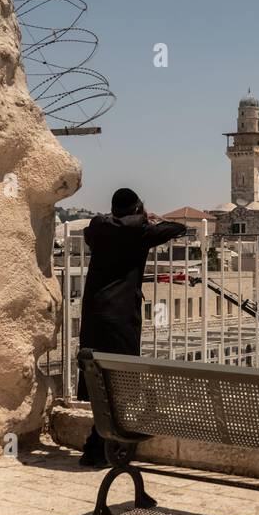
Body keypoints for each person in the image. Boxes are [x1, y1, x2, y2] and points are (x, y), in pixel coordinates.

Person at [76, 188, 187, 466]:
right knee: (121, 382)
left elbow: (98, 225)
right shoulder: (140, 233)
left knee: (98, 378)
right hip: (121, 316)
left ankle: (95, 443)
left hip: (94, 314)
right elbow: (178, 228)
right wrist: (148, 221)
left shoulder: (97, 230)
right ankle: (99, 446)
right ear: (138, 210)